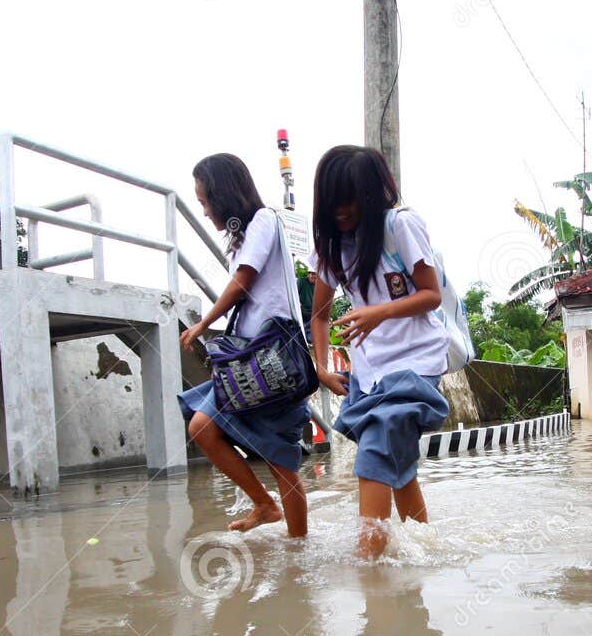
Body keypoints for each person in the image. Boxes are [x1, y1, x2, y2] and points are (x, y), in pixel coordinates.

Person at [307, 145, 449, 559]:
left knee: (373, 454)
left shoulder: (399, 227)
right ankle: (426, 551)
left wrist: (379, 312)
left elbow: (431, 294)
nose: (341, 210)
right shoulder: (332, 248)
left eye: (349, 200)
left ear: (371, 194)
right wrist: (320, 366)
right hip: (370, 374)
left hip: (415, 363)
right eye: (332, 202)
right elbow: (319, 316)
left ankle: (368, 568)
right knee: (398, 466)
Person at [178, 153, 308, 536]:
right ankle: (265, 505)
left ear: (224, 195)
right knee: (202, 426)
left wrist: (204, 322)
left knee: (280, 460)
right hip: (248, 361)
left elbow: (244, 281)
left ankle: (298, 556)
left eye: (204, 201)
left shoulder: (266, 220)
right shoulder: (244, 237)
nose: (204, 211)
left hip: (276, 357)